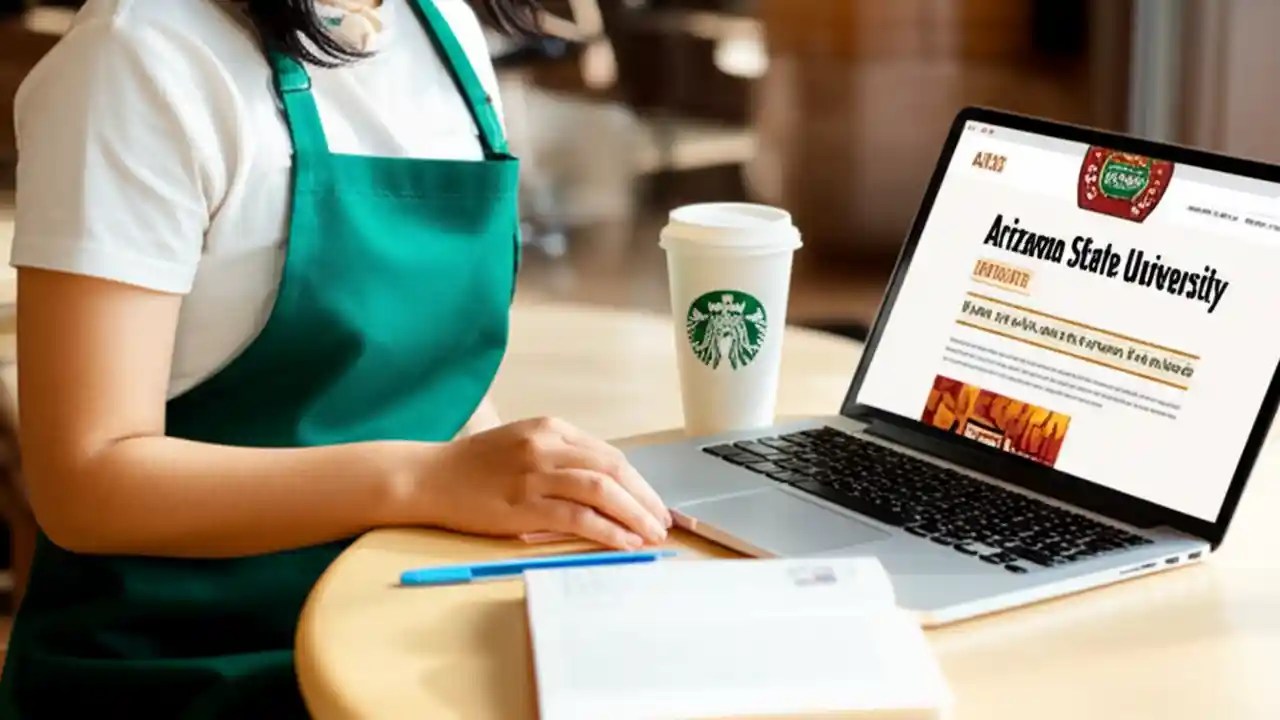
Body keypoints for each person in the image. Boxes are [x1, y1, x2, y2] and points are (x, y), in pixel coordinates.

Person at [0, 0, 672, 716]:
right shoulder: (137, 58)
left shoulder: (443, 30)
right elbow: (85, 481)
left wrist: (526, 491)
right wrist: (430, 479)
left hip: (401, 622)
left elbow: (436, 375)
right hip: (187, 669)